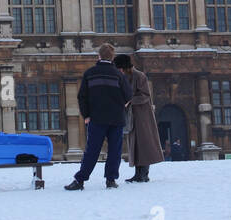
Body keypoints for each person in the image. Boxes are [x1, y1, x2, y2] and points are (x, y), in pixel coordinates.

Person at [65, 43, 133, 190]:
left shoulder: (90, 73)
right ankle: (111, 180)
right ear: (112, 58)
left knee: (92, 151)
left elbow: (82, 96)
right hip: (116, 119)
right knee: (115, 151)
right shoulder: (118, 75)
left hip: (97, 118)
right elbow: (128, 95)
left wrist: (86, 115)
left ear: (99, 56)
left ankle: (80, 180)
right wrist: (122, 105)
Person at [114, 53, 162, 183]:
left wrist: (130, 101)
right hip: (131, 115)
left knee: (144, 143)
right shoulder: (124, 77)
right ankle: (137, 173)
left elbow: (145, 95)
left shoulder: (139, 76)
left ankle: (144, 174)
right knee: (134, 144)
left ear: (124, 67)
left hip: (142, 115)